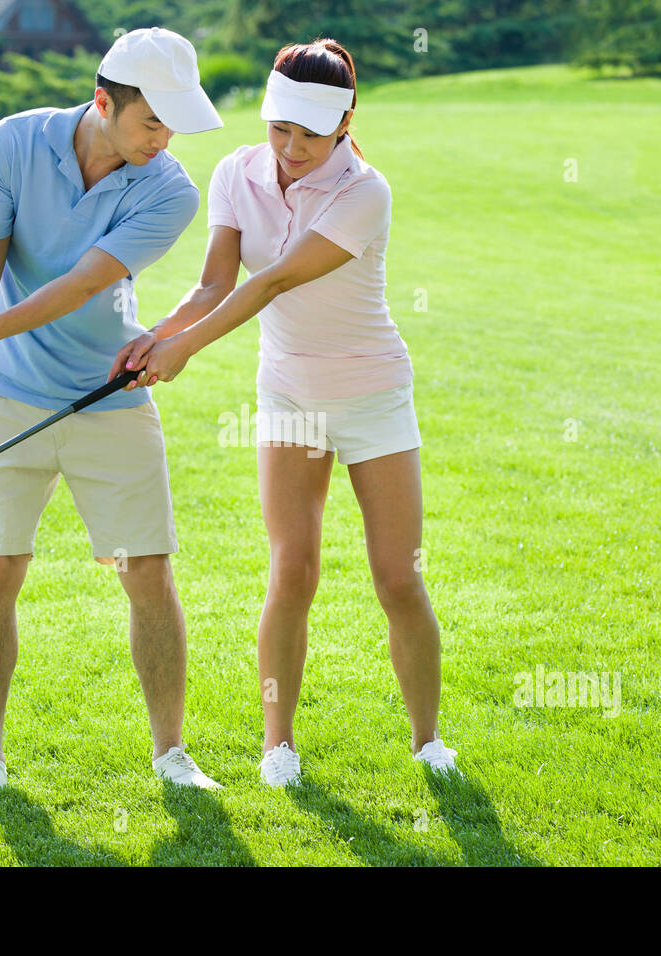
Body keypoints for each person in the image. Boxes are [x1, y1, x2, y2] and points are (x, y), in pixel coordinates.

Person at [109, 39, 458, 786]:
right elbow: (213, 288)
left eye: (310, 135)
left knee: (398, 577)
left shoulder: (365, 192)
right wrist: (153, 340)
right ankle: (279, 746)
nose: (292, 149)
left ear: (344, 124)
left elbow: (268, 285)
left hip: (373, 394)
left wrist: (188, 353)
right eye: (280, 130)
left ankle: (428, 742)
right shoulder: (237, 171)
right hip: (289, 395)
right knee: (291, 570)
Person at [0, 28, 224, 798]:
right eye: (151, 122)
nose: (164, 140)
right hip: (6, 391)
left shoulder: (169, 189)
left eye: (174, 125)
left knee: (147, 571)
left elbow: (85, 283)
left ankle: (171, 756)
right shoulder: (10, 144)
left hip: (106, 394)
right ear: (103, 101)